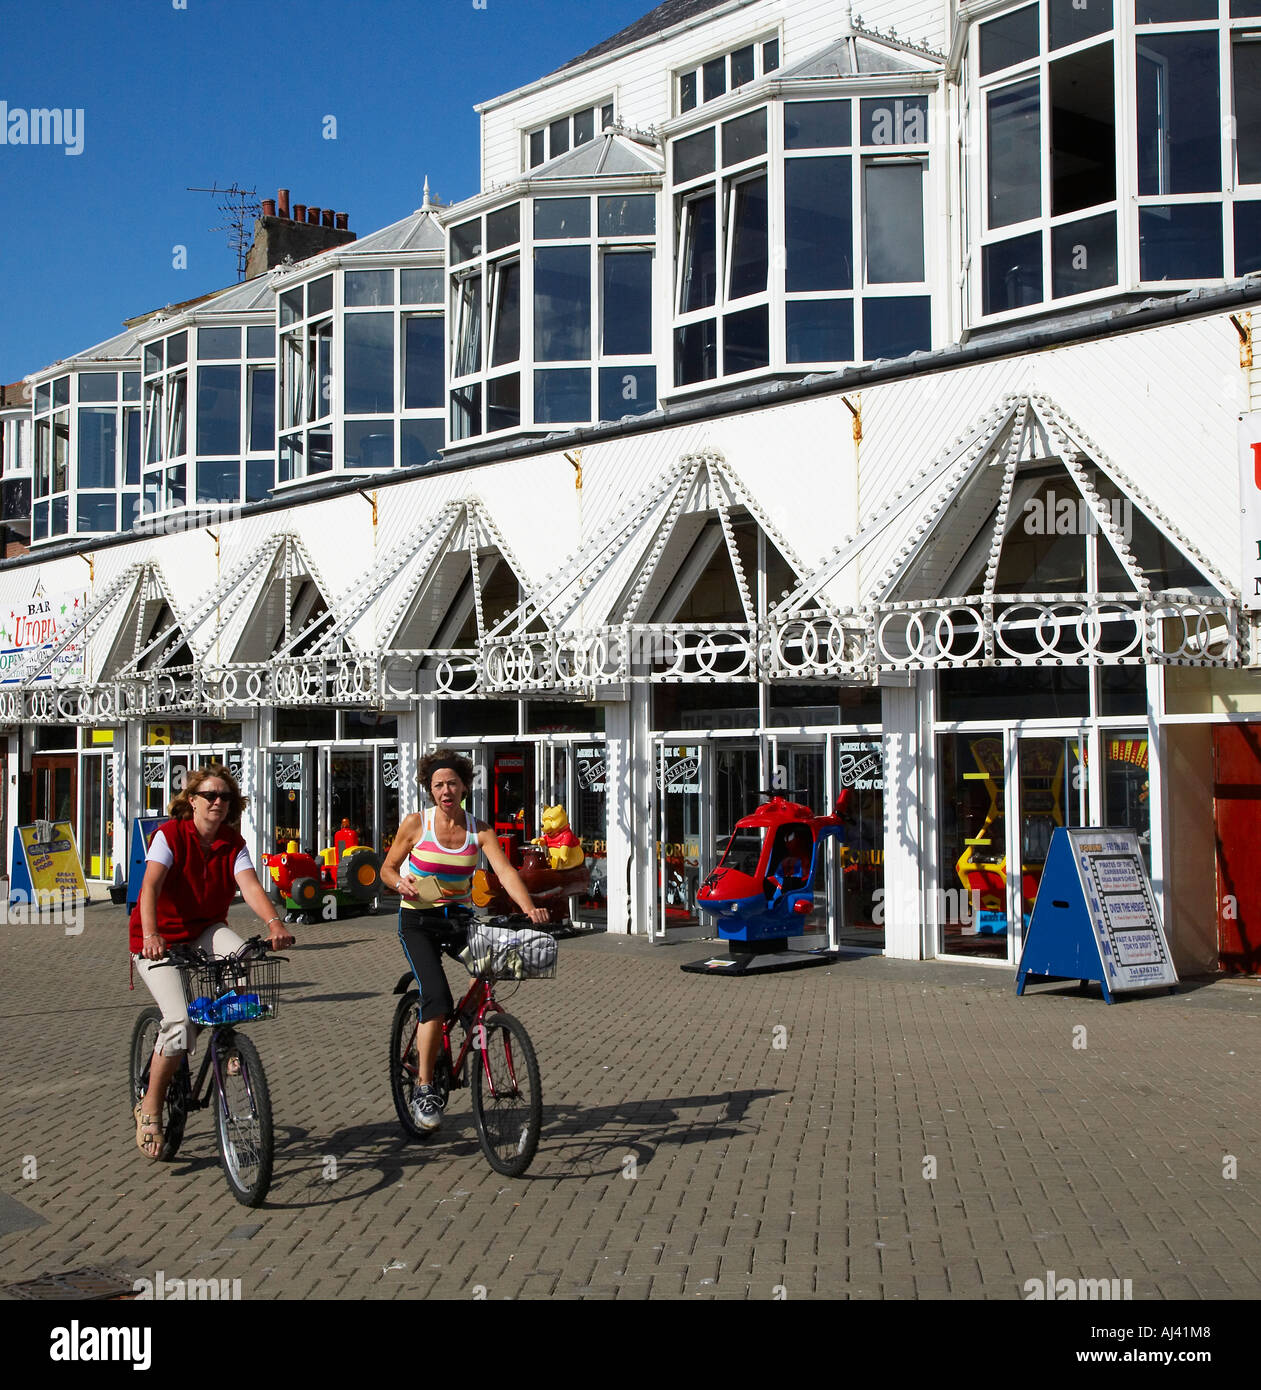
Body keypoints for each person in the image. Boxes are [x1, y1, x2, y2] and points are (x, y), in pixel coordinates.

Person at [130, 764, 294, 1160]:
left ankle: (226, 1043)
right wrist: (151, 936)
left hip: (204, 928)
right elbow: (149, 885)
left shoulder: (232, 843)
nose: (218, 802)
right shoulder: (169, 836)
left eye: (225, 797)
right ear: (192, 800)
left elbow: (250, 885)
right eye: (209, 796)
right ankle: (150, 1104)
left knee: (241, 955)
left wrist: (274, 922)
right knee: (179, 1022)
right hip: (159, 939)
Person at [381, 750, 549, 1133]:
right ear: (430, 789)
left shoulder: (479, 829)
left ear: (464, 787)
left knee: (496, 968)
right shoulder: (415, 825)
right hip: (418, 921)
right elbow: (387, 869)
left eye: (452, 783)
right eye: (438, 784)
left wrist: (531, 908)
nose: (446, 790)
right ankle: (424, 1086)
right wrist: (399, 883)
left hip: (457, 921)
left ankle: (474, 1019)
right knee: (436, 998)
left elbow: (505, 871)